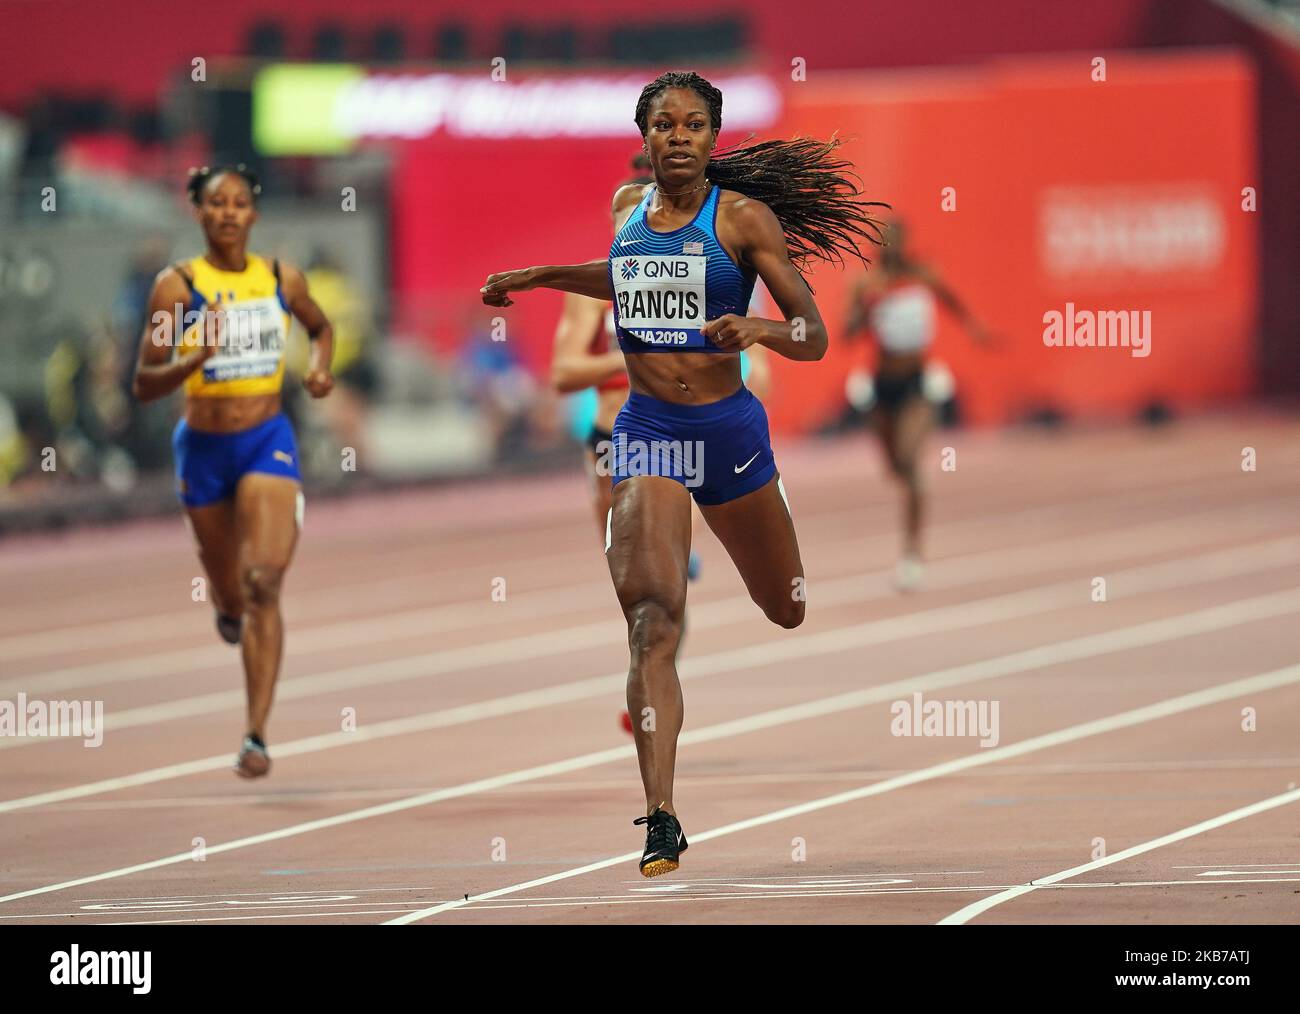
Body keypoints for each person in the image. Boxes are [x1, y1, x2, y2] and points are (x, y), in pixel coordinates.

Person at [482, 71, 885, 877]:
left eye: (694, 125)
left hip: (728, 433)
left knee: (786, 608)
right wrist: (541, 278)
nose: (677, 137)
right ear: (644, 136)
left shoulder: (741, 219)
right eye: (663, 124)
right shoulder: (630, 217)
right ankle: (661, 816)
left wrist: (759, 328)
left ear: (712, 137)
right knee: (651, 621)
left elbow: (813, 335)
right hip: (648, 433)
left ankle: (772, 525)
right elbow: (621, 280)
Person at [132, 165, 335, 778]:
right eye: (215, 203)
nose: (227, 213)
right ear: (198, 212)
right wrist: (196, 356)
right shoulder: (177, 287)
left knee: (263, 583)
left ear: (254, 214)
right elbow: (144, 382)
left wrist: (320, 368)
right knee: (229, 591)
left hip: (265, 440)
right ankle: (225, 607)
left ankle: (256, 735)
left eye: (239, 203)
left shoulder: (279, 277)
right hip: (203, 448)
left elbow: (320, 327)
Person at [843, 219, 993, 591]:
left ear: (905, 242)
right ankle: (911, 480)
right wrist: (866, 309)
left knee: (909, 460)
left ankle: (912, 553)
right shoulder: (867, 284)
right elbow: (846, 334)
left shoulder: (923, 276)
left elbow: (951, 299)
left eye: (896, 239)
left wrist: (975, 328)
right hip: (881, 385)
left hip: (918, 384)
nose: (890, 246)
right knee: (895, 466)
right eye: (884, 240)